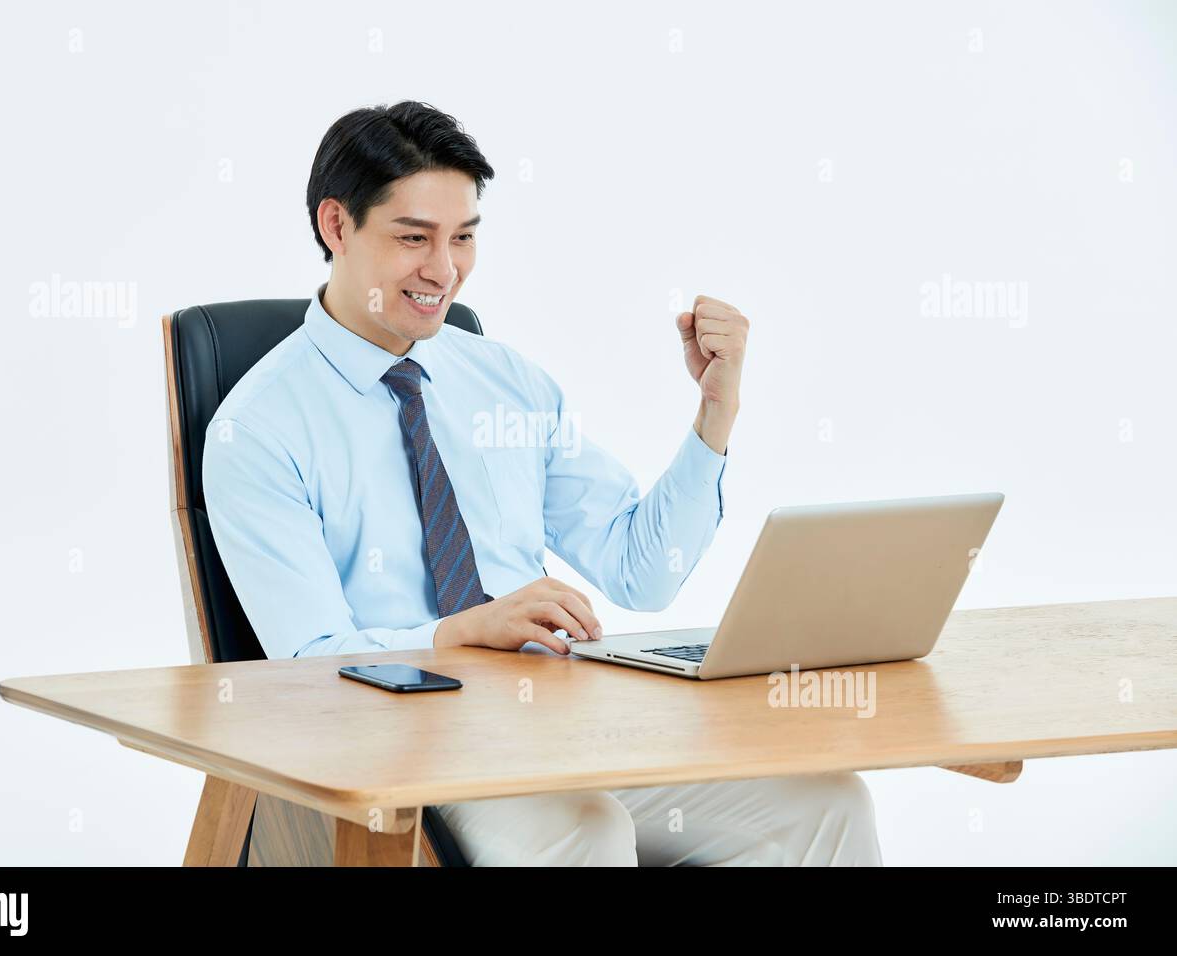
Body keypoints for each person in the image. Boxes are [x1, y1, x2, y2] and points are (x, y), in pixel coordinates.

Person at [202, 100, 882, 866]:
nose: (444, 270)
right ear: (336, 226)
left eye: (462, 238)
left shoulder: (505, 383)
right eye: (413, 238)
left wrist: (715, 412)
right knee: (587, 828)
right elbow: (308, 665)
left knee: (825, 802)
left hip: (560, 727)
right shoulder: (258, 427)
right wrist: (460, 632)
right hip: (402, 756)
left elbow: (641, 571)